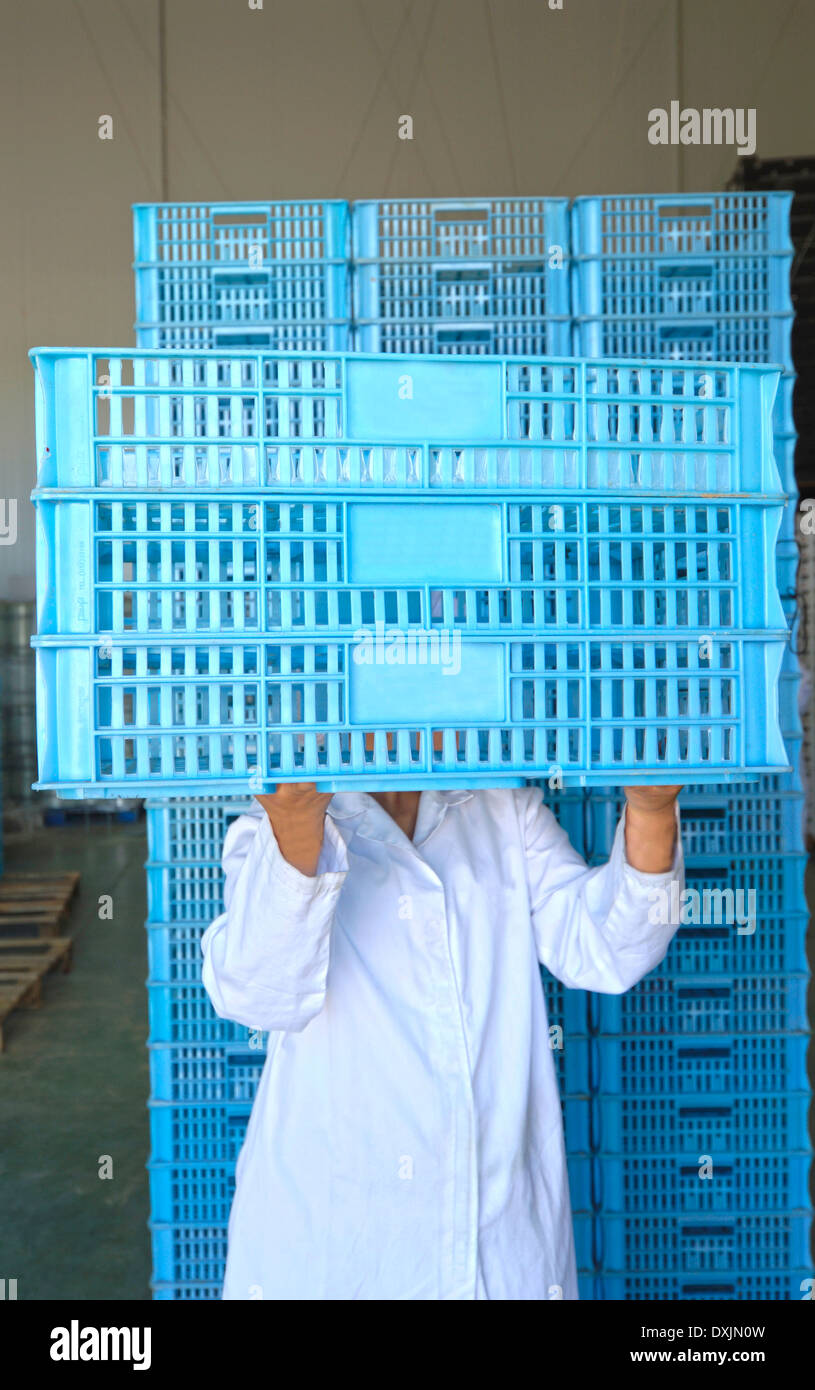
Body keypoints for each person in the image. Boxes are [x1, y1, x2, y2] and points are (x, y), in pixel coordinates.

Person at [202, 782, 684, 1300]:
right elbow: (258, 994)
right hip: (332, 1251)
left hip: (497, 1246)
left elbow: (606, 947)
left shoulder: (502, 808)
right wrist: (296, 826)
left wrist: (651, 809)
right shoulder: (270, 822)